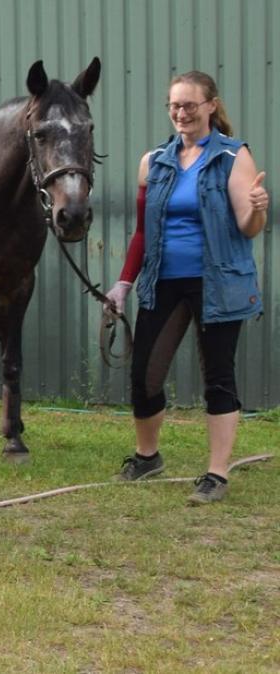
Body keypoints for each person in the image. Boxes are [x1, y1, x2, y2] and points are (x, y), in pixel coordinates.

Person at [105, 71, 268, 505]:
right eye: (174, 105)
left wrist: (258, 210)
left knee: (218, 378)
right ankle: (147, 456)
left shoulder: (233, 157)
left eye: (189, 105)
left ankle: (216, 474)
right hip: (164, 282)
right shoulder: (153, 161)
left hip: (219, 283)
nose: (181, 113)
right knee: (145, 375)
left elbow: (247, 228)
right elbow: (142, 233)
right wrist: (124, 283)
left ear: (211, 105)